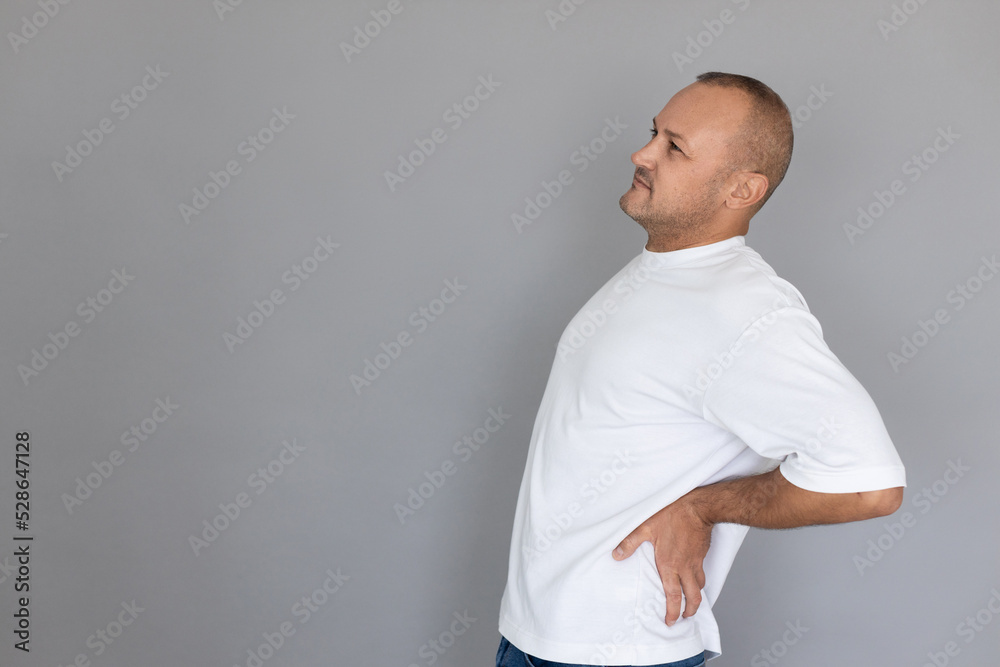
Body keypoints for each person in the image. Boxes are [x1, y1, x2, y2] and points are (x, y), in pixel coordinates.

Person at [495, 72, 906, 667]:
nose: (642, 154)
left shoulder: (745, 312)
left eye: (674, 147)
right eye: (654, 133)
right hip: (540, 636)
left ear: (741, 190)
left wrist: (703, 506)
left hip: (612, 653)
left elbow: (870, 487)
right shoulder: (663, 271)